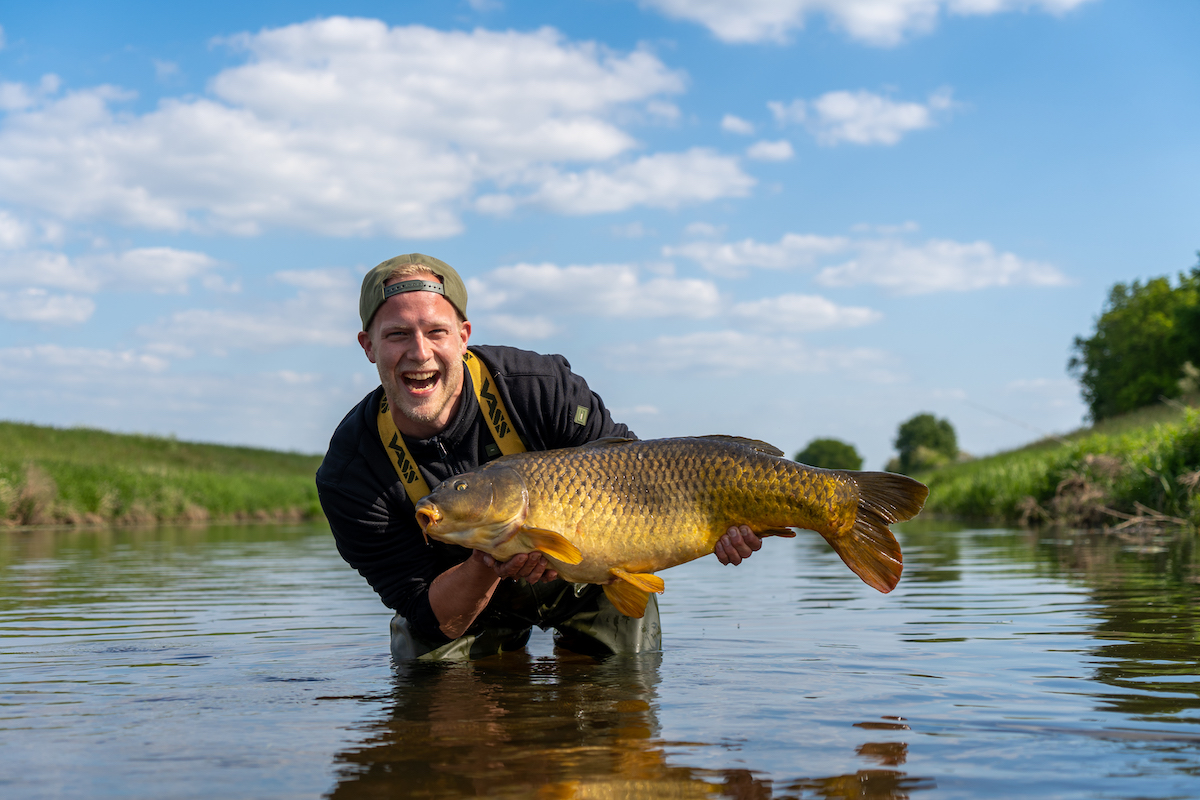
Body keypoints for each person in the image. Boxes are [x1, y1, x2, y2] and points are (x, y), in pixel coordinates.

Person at [316, 253, 762, 661]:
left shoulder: (537, 387)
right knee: (430, 677)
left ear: (463, 337)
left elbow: (644, 475)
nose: (419, 352)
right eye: (397, 334)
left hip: (592, 578)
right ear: (368, 346)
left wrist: (723, 520)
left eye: (437, 332)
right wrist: (488, 562)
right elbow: (430, 615)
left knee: (622, 690)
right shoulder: (351, 474)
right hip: (463, 598)